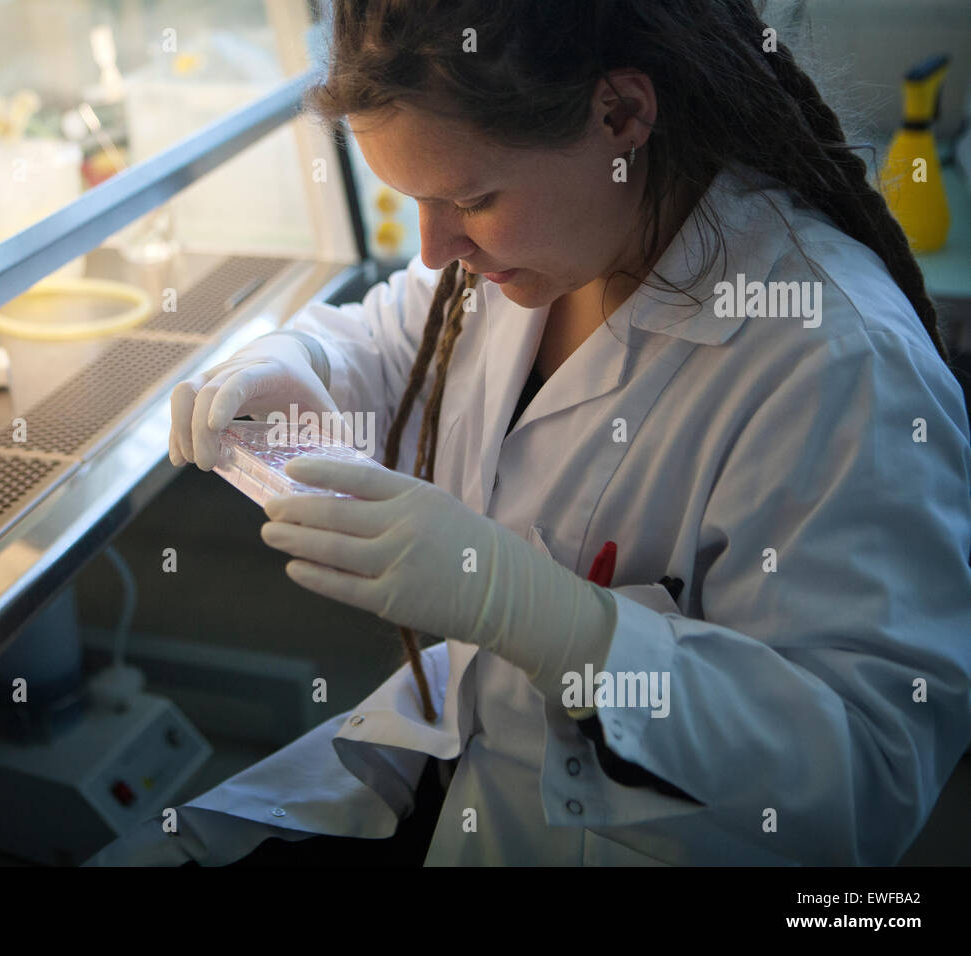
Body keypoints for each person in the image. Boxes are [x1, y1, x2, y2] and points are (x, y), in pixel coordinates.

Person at [85, 0, 971, 866]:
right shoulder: (543, 248)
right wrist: (303, 356)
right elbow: (401, 336)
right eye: (413, 201)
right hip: (456, 766)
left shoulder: (833, 362)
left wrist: (552, 622)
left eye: (468, 197)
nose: (433, 249)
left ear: (620, 114)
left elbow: (866, 781)